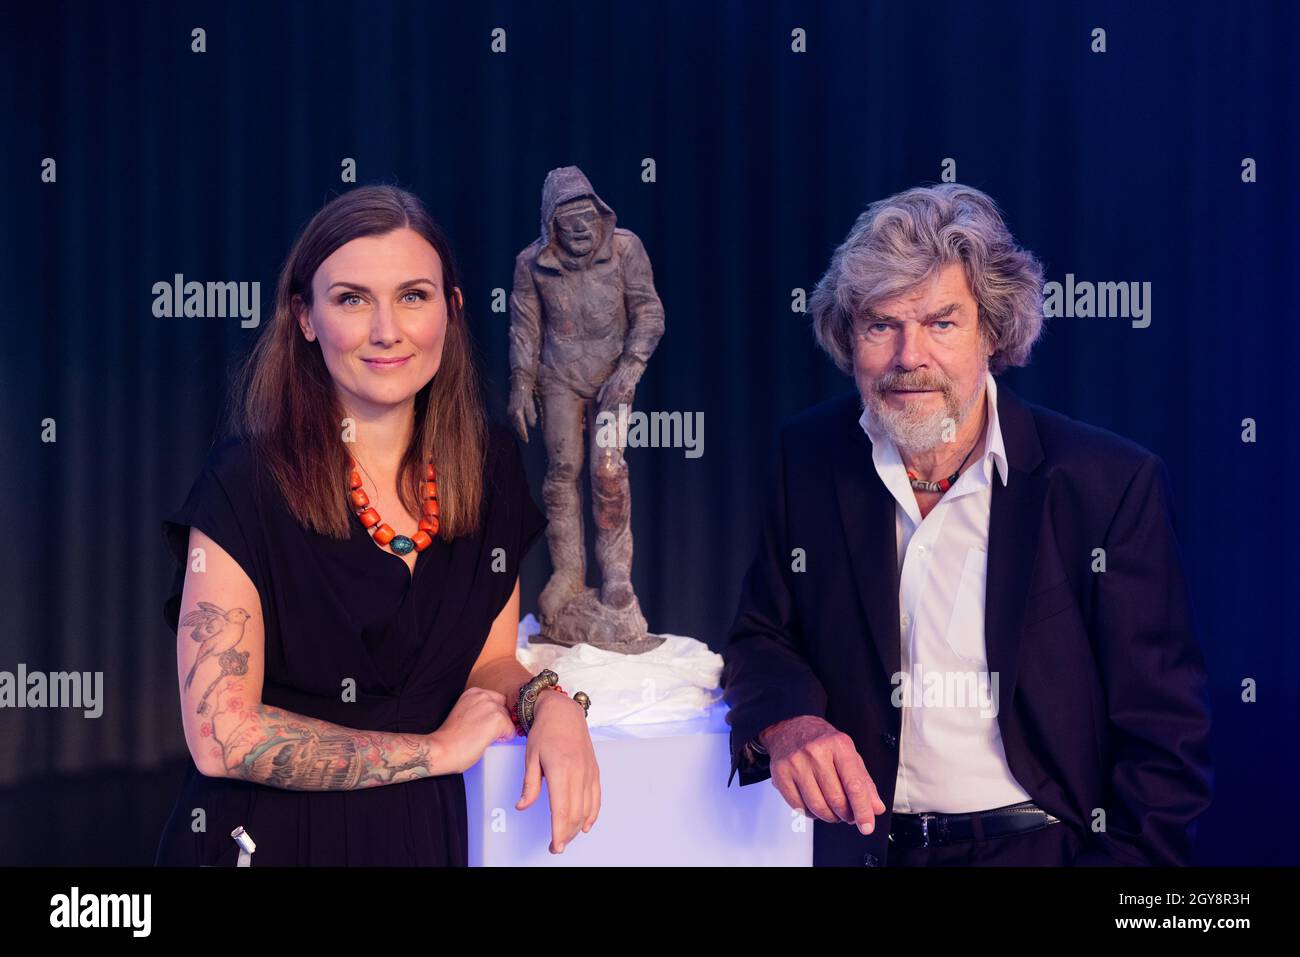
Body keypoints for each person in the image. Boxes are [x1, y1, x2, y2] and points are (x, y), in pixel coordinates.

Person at [721, 183, 1212, 867]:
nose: (908, 355)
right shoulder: (807, 458)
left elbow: (1164, 740)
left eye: (941, 323)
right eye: (881, 324)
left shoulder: (1104, 487)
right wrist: (786, 723)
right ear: (848, 337)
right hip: (861, 851)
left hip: (1041, 851)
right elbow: (762, 633)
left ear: (993, 333)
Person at [156, 185, 600, 866]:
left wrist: (550, 702)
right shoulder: (245, 480)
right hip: (270, 841)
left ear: (451, 311)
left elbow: (488, 661)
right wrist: (431, 751)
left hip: (424, 833)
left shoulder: (490, 464)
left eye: (413, 296)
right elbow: (222, 736)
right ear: (305, 317)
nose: (387, 329)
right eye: (352, 299)